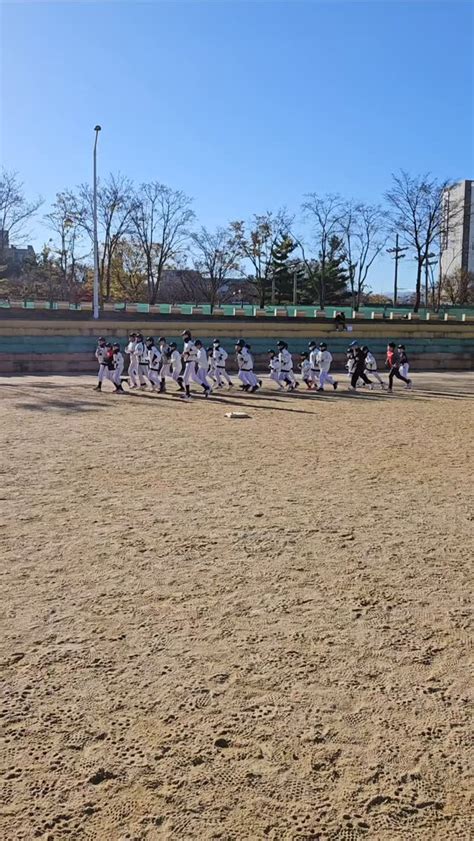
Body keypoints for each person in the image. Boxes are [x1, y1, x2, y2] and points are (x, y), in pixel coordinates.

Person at [181, 329, 202, 400]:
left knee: (185, 378)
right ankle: (206, 387)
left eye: (184, 335)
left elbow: (196, 351)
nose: (183, 336)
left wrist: (188, 353)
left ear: (187, 335)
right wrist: (183, 354)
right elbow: (186, 351)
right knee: (192, 377)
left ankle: (188, 394)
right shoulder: (186, 343)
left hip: (191, 361)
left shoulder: (190, 343)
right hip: (188, 361)